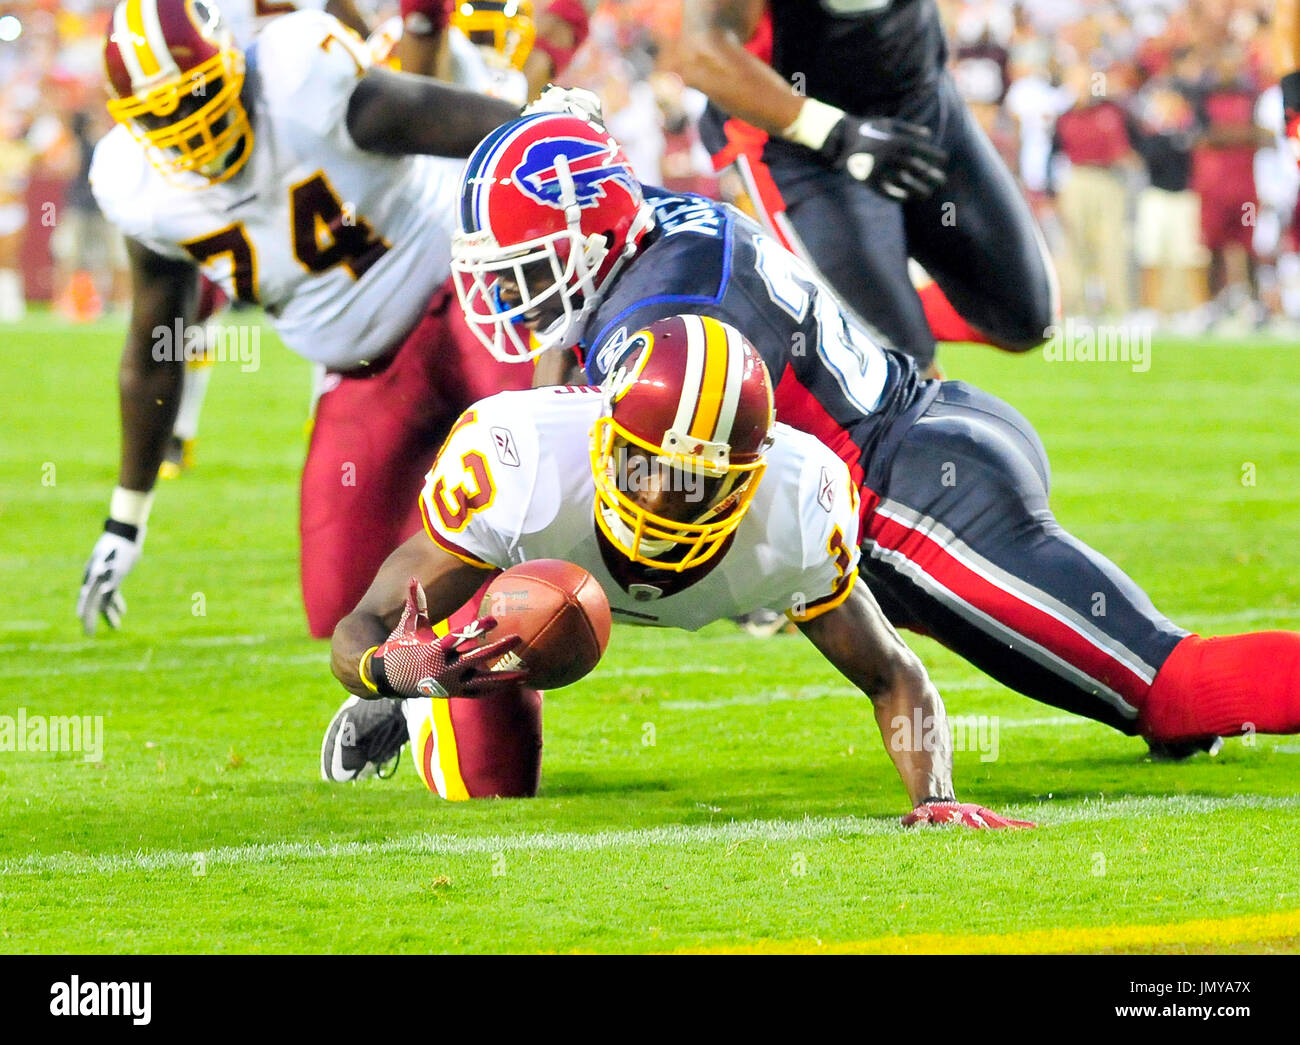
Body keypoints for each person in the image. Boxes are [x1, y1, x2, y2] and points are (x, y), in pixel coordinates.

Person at [451, 112, 1300, 758]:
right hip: (911, 455)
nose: (513, 297)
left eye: (525, 271)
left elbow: (625, 538)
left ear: (593, 236)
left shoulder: (669, 318)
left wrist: (433, 647)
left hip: (917, 502)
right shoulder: (650, 233)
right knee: (1151, 712)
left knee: (1173, 687)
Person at [325, 311, 1034, 830]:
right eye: (644, 465)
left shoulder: (798, 507)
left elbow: (892, 674)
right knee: (488, 788)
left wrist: (935, 798)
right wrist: (396, 671)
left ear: (749, 478)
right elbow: (361, 622)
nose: (662, 496)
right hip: (516, 601)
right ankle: (408, 711)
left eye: (695, 481)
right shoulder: (523, 463)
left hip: (623, 558)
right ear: (606, 435)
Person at [75, 0, 535, 641]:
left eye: (197, 96)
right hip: (363, 371)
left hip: (468, 307)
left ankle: (688, 546)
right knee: (343, 610)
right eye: (160, 114)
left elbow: (497, 129)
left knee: (540, 477)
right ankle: (427, 664)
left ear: (232, 64)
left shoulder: (298, 80)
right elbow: (157, 348)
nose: (187, 125)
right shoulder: (136, 188)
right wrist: (126, 518)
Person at [677, 0, 1059, 373]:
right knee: (900, 369)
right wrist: (834, 133)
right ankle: (850, 329)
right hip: (804, 148)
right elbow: (701, 53)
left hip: (921, 107)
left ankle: (861, 314)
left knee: (1026, 319)